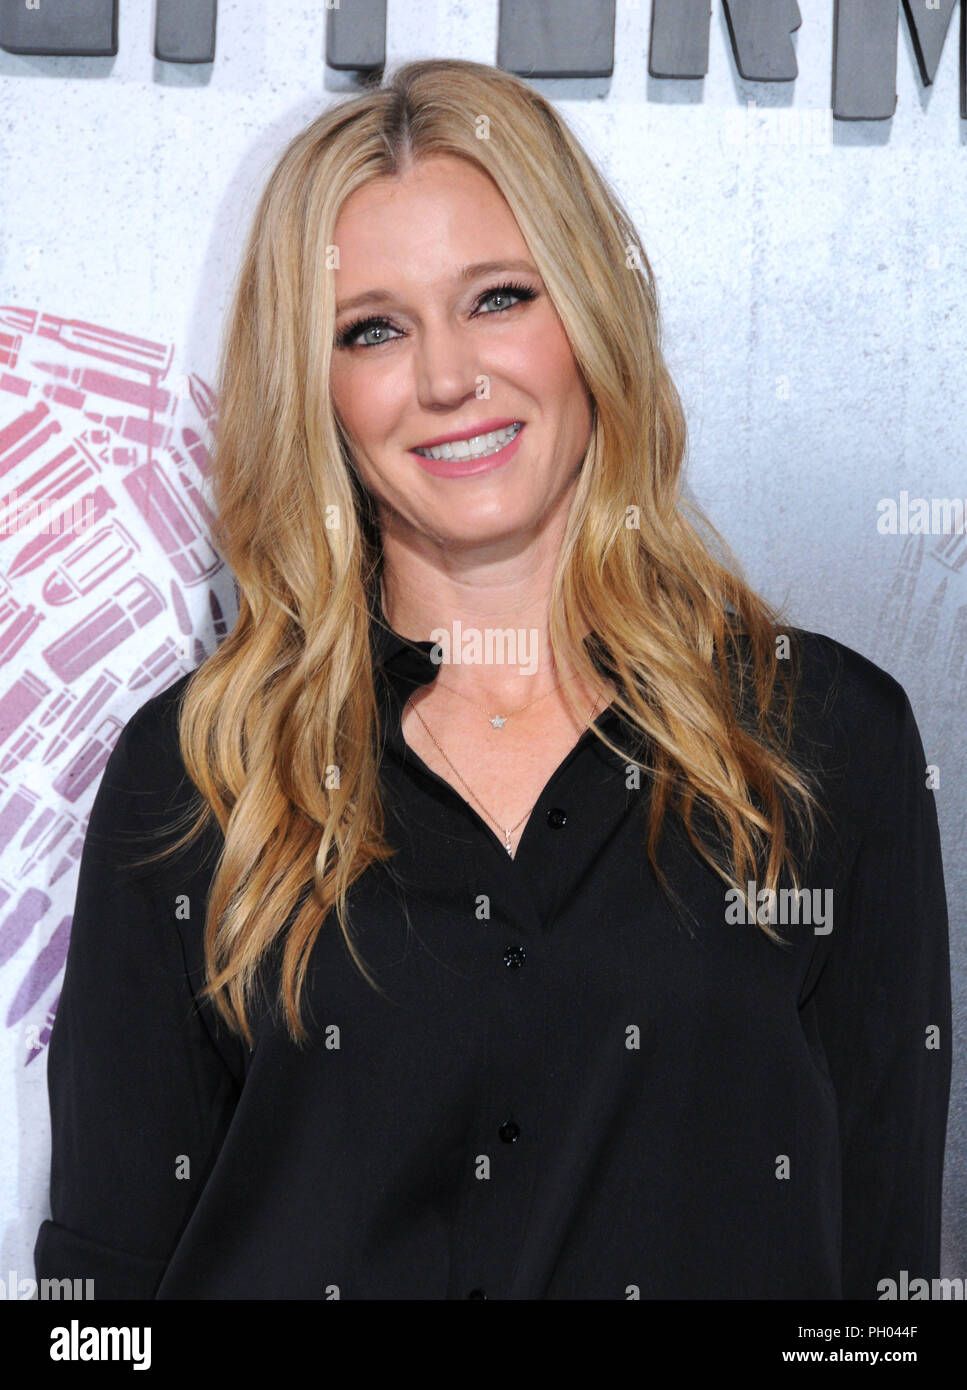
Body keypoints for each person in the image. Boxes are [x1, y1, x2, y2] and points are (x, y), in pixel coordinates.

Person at [34, 57, 951, 1301]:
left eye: (499, 298)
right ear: (317, 387)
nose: (447, 377)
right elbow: (105, 1290)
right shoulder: (200, 772)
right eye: (373, 328)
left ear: (590, 313)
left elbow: (880, 1271)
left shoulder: (826, 741)